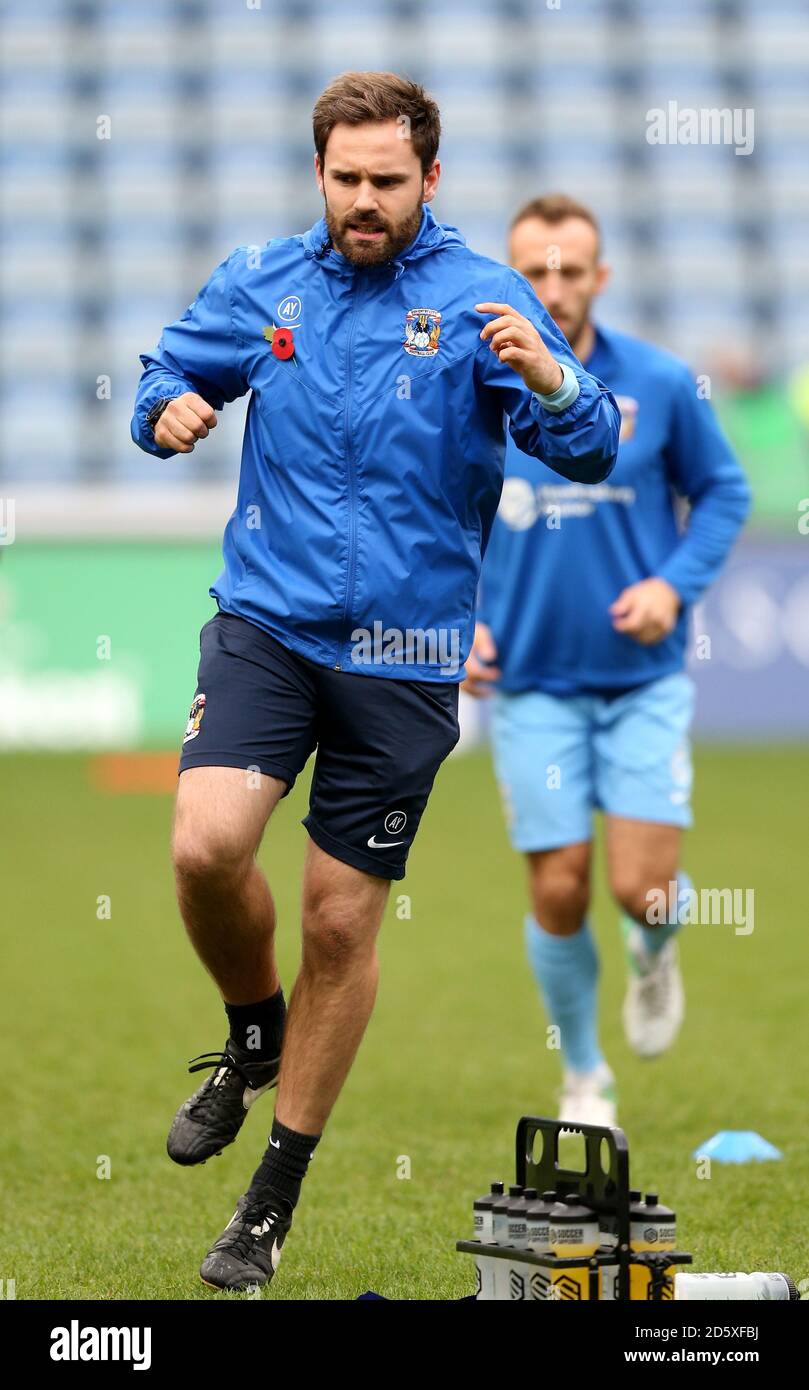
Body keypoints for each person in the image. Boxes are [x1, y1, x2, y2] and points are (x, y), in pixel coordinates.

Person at [131, 80, 619, 1292]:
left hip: (404, 659)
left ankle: (269, 1203)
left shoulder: (482, 300)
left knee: (342, 923)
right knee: (204, 846)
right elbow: (160, 377)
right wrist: (165, 412)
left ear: (430, 180)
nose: (363, 201)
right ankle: (253, 1033)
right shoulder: (261, 279)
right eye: (345, 179)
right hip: (269, 625)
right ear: (319, 174)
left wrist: (551, 386)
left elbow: (595, 438)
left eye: (386, 183)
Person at [466, 194, 750, 1126]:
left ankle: (653, 948)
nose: (553, 286)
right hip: (531, 684)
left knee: (643, 888)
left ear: (600, 277)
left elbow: (720, 492)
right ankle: (584, 1077)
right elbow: (426, 513)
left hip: (641, 680)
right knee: (556, 884)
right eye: (534, 271)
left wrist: (672, 585)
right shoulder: (470, 384)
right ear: (510, 277)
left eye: (569, 270)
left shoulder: (662, 384)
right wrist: (454, 617)